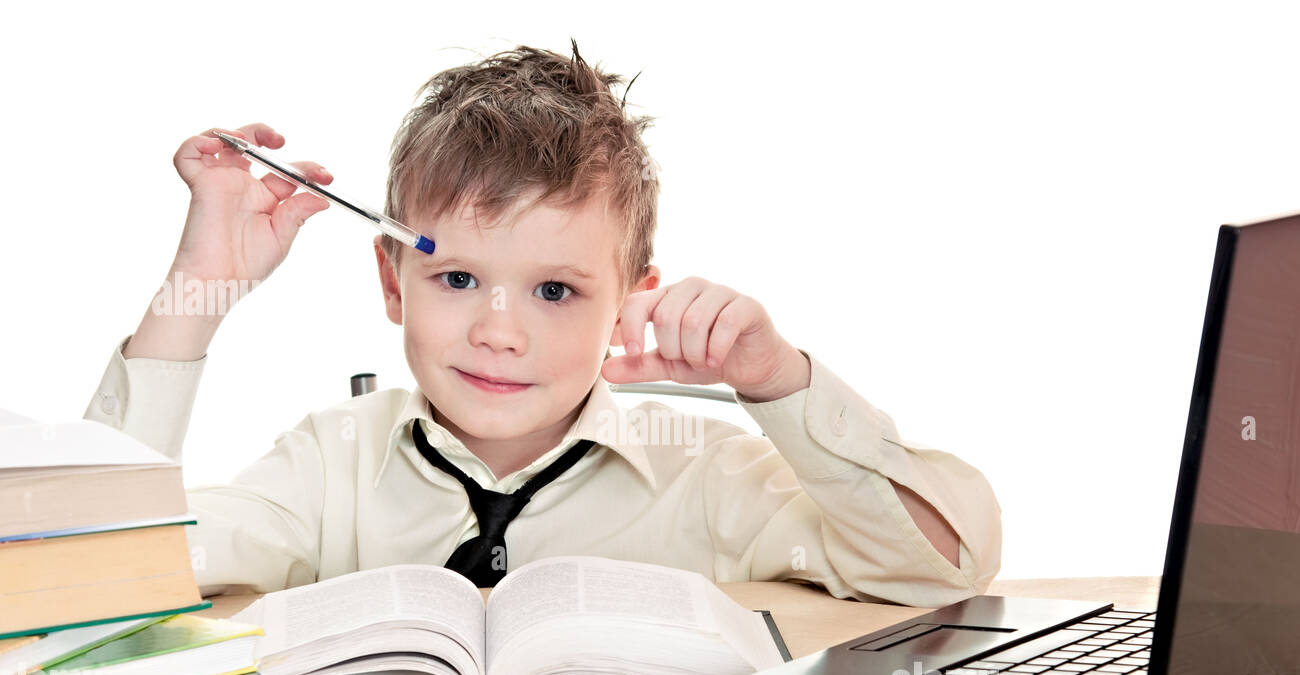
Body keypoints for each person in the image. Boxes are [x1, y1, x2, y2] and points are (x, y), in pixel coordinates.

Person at [84, 41, 1002, 607]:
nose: (499, 332)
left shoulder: (703, 472)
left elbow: (940, 565)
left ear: (628, 302)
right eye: (456, 276)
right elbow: (87, 580)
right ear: (393, 278)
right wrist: (196, 291)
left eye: (554, 291)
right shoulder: (330, 465)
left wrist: (780, 383)